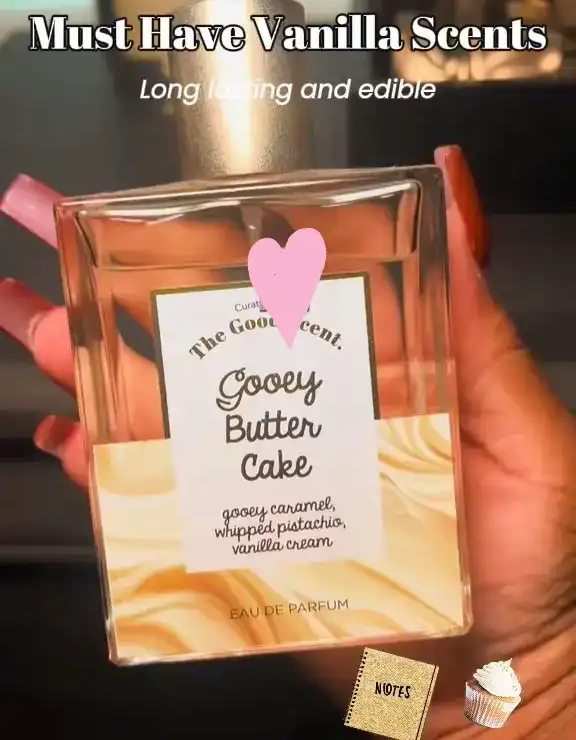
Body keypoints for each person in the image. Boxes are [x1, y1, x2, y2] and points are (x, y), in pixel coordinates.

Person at [0, 146, 574, 738]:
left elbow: (459, 718)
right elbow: (440, 719)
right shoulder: (437, 704)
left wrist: (530, 678)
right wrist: (449, 713)